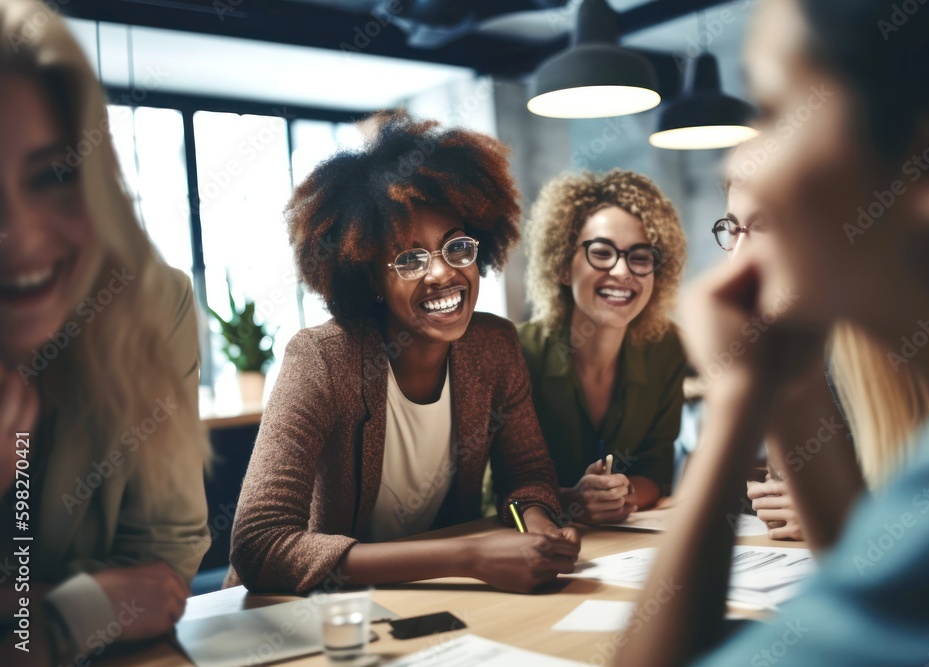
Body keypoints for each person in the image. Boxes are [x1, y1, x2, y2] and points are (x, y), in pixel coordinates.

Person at [617, 0, 929, 664]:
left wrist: (736, 400)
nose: (735, 166)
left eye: (773, 110)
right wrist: (783, 391)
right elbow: (870, 590)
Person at [226, 111, 579, 596]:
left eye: (457, 248)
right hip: (310, 611)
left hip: (439, 600)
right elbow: (259, 544)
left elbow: (527, 476)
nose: (443, 273)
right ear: (370, 276)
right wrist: (468, 557)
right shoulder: (322, 359)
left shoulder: (494, 345)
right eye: (410, 259)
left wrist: (537, 525)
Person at [0, 1, 212, 664]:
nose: (20, 234)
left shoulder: (151, 301)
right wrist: (71, 610)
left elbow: (162, 563)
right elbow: (115, 602)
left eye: (54, 174)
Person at [717, 168, 929, 544]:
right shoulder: (793, 342)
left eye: (763, 225)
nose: (736, 258)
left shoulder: (903, 339)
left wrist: (836, 516)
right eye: (733, 230)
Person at [517, 170, 687, 525]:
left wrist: (619, 497)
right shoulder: (517, 352)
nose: (622, 271)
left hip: (622, 542)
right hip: (530, 541)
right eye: (601, 252)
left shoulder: (666, 346)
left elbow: (655, 471)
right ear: (563, 266)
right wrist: (571, 500)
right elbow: (502, 488)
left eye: (640, 257)